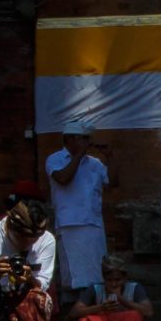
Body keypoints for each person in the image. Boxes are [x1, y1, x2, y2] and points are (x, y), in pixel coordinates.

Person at [45, 119, 112, 303]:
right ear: (70, 140)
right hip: (69, 225)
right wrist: (78, 157)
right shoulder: (55, 159)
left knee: (96, 272)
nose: (86, 143)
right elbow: (63, 179)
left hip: (93, 223)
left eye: (87, 139)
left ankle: (94, 305)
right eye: (82, 139)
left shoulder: (95, 163)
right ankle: (73, 310)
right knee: (73, 275)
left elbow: (113, 184)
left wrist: (109, 157)